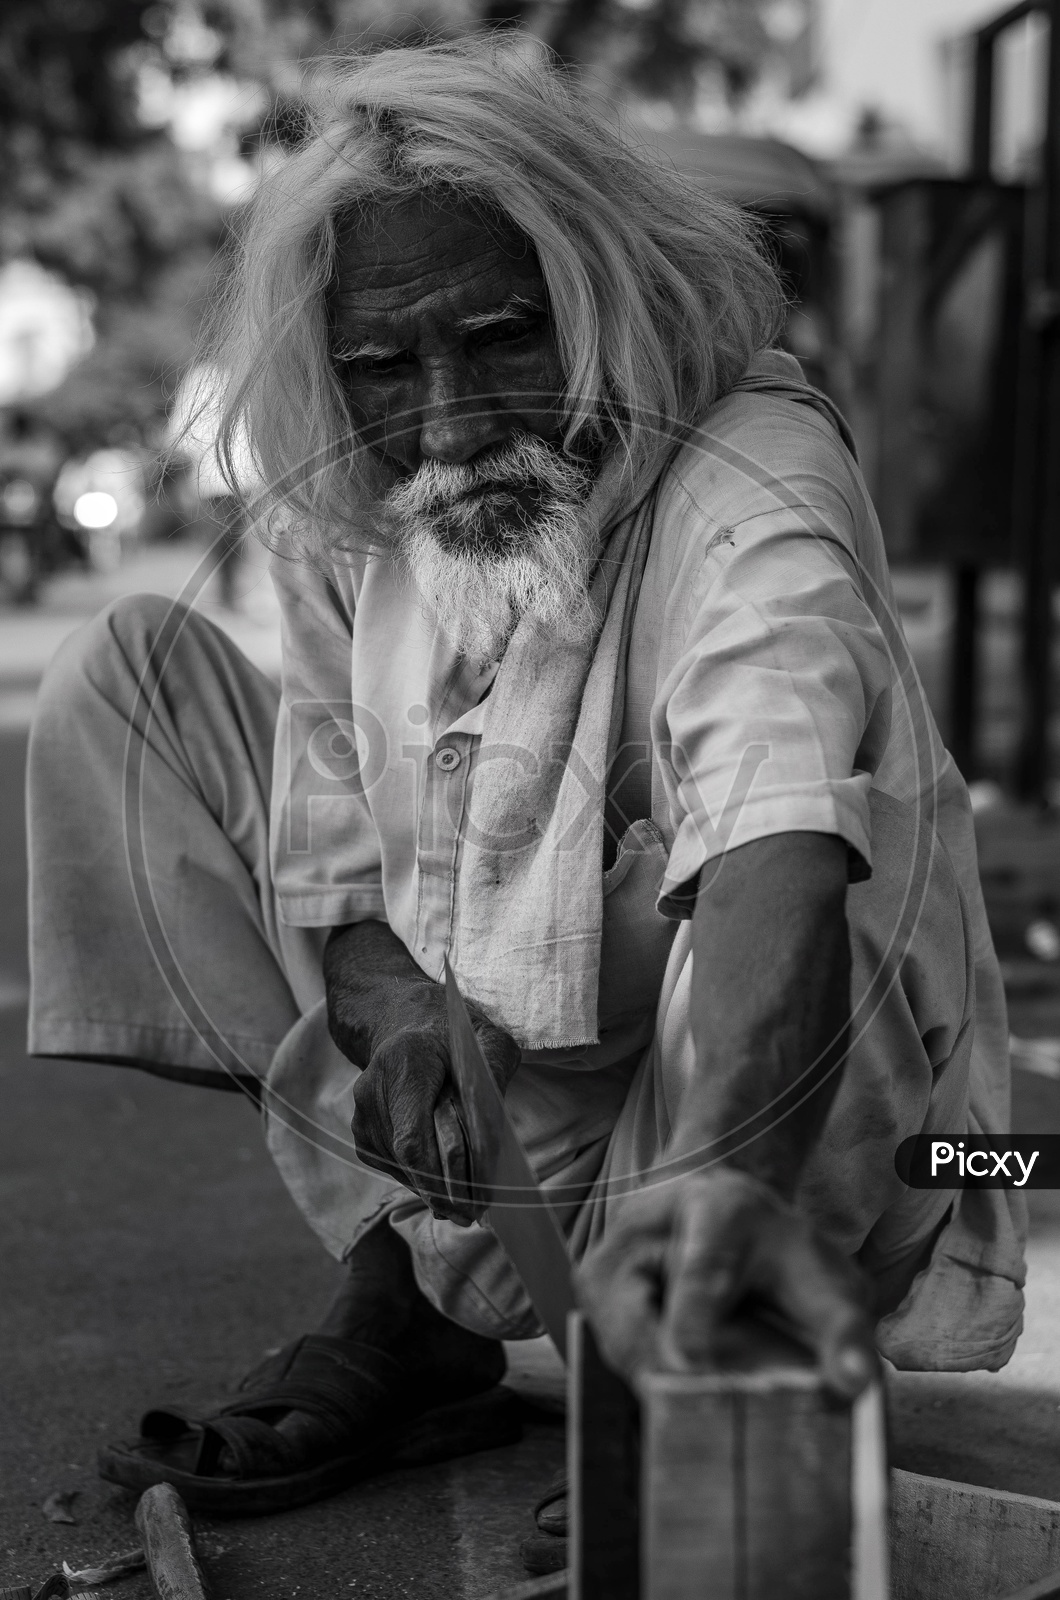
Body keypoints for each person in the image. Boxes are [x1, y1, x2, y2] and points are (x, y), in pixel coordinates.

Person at [27, 39, 1024, 1544]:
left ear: (607, 301)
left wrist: (716, 1261)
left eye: (500, 340)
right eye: (383, 368)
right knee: (128, 681)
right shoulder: (347, 486)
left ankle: (713, 1354)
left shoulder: (747, 480)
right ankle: (408, 1303)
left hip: (790, 1151)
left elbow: (780, 865)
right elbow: (328, 859)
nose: (443, 424)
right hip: (498, 1132)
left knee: (828, 850)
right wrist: (395, 1003)